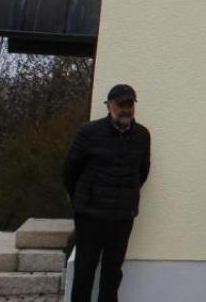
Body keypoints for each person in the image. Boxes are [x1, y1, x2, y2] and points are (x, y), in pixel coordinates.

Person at [62, 83, 152, 302]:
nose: (126, 109)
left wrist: (127, 198)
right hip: (90, 216)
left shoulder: (142, 135)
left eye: (129, 104)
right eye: (121, 104)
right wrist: (80, 201)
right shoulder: (89, 132)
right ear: (110, 105)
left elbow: (142, 172)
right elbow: (69, 171)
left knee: (112, 273)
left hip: (122, 217)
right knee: (84, 271)